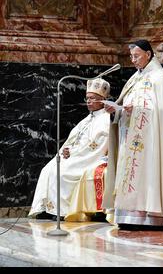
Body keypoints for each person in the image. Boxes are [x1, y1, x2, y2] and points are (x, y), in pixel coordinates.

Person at [102, 39, 163, 230]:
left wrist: (135, 110)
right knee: (128, 172)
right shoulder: (135, 78)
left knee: (146, 174)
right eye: (131, 57)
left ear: (148, 54)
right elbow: (126, 103)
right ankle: (127, 216)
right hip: (128, 134)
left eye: (136, 56)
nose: (133, 60)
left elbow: (161, 113)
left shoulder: (160, 78)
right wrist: (118, 111)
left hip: (150, 140)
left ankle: (149, 218)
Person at [29, 78, 111, 220]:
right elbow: (72, 139)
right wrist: (65, 149)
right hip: (75, 155)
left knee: (62, 173)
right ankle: (47, 208)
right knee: (47, 170)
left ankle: (62, 211)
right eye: (87, 98)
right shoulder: (87, 119)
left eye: (93, 98)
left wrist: (72, 153)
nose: (89, 102)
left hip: (89, 158)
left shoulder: (106, 120)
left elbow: (96, 147)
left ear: (103, 100)